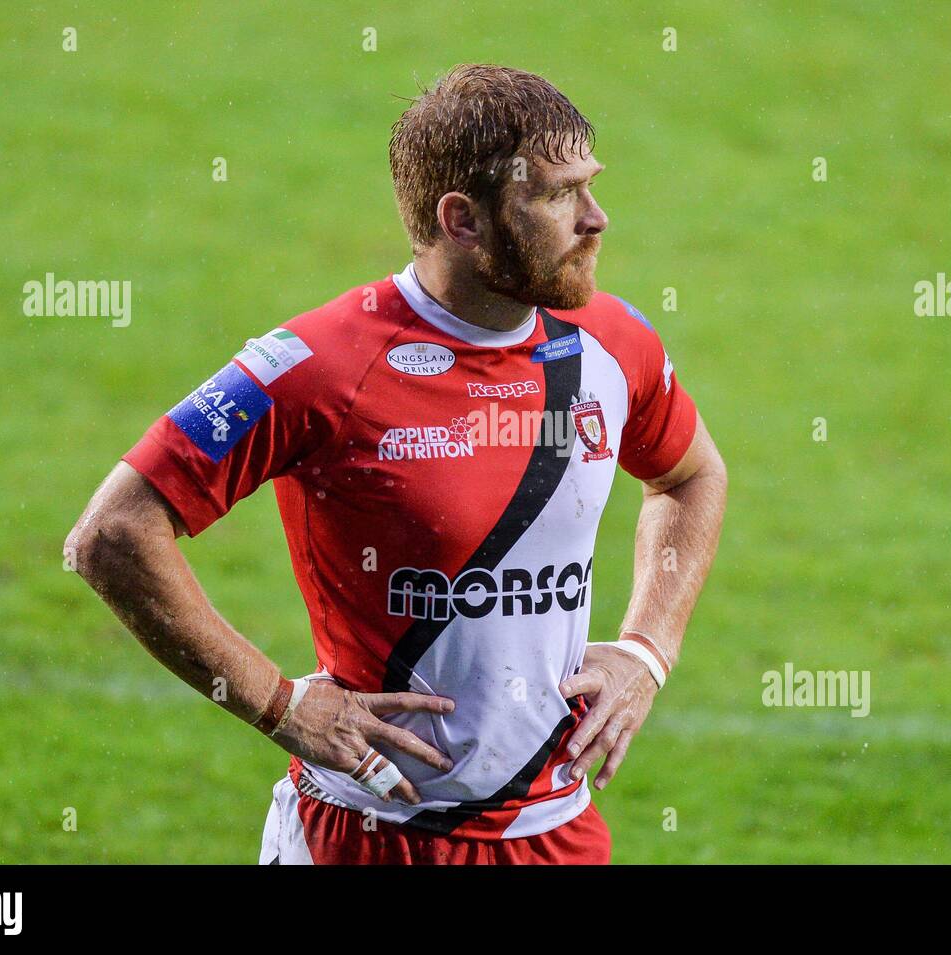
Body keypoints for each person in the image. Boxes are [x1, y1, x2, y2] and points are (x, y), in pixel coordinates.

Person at [67, 63, 727, 865]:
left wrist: (645, 650)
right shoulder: (320, 365)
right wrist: (282, 705)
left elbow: (690, 476)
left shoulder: (613, 345)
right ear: (463, 221)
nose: (597, 219)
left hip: (556, 836)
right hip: (369, 838)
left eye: (589, 186)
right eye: (557, 195)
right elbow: (113, 532)